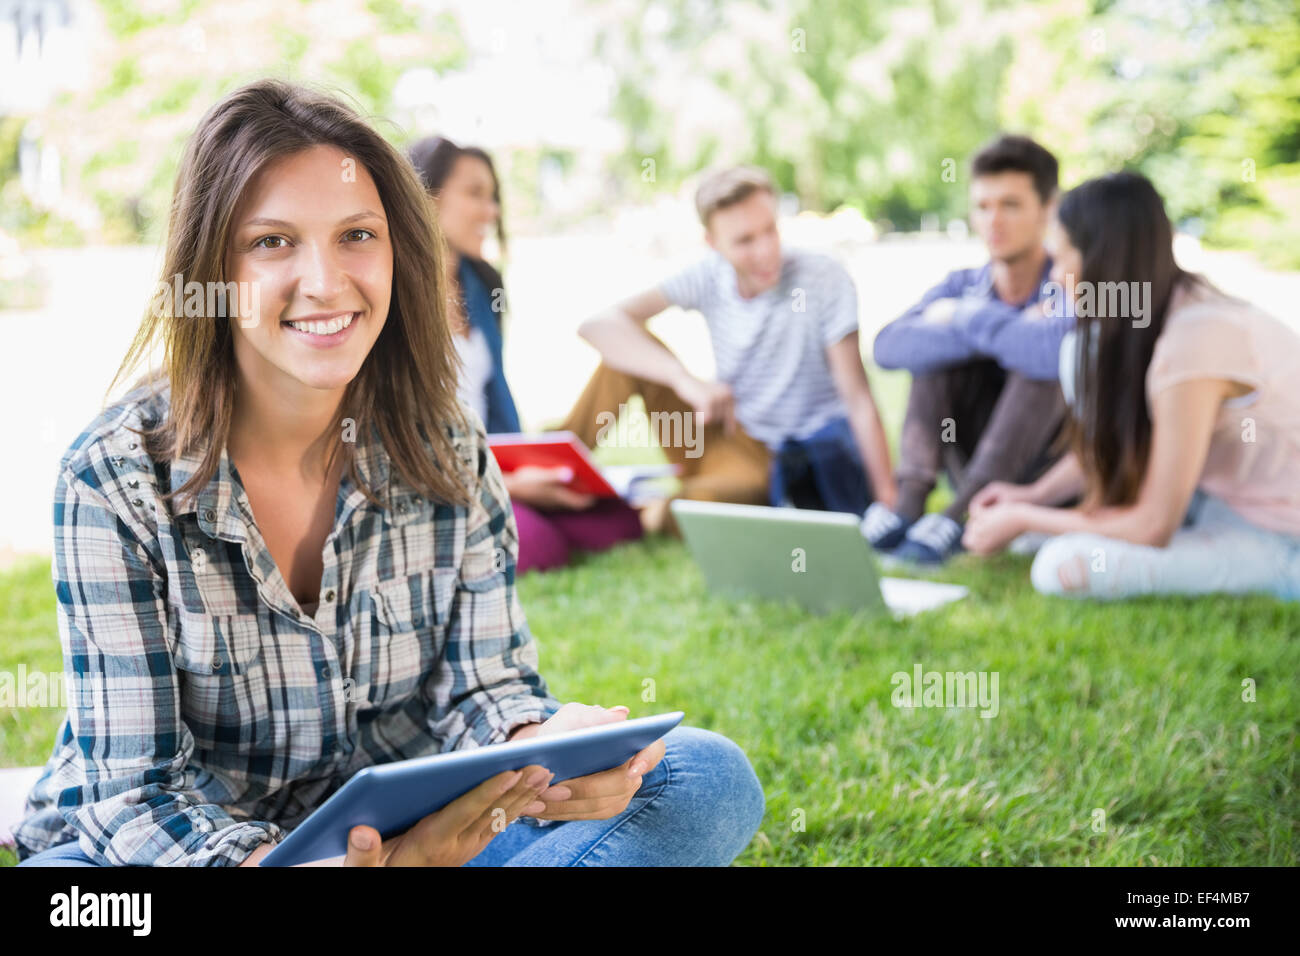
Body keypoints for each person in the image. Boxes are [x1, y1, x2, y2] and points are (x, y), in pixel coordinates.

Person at [13, 79, 765, 867]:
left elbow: (486, 688)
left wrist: (539, 743)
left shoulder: (443, 443)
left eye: (357, 236)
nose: (328, 281)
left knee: (699, 776)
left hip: (424, 835)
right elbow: (135, 797)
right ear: (212, 269)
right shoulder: (113, 480)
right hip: (202, 856)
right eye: (272, 242)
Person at [962, 170, 1300, 601]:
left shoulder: (1195, 340)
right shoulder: (1164, 309)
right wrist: (1034, 496)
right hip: (1221, 506)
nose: (1056, 277)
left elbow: (1154, 525)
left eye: (1064, 259)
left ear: (1106, 258)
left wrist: (1026, 517)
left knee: (1061, 568)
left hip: (1282, 538)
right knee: (1059, 539)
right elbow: (1140, 439)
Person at [570, 165, 896, 529]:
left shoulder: (822, 279)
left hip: (772, 455)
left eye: (770, 230)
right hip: (715, 425)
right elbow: (597, 325)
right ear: (713, 242)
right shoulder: (709, 274)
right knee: (625, 357)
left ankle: (643, 510)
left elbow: (858, 398)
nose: (766, 251)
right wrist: (684, 380)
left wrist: (888, 499)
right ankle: (547, 470)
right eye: (744, 241)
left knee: (707, 507)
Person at [407, 135, 643, 574]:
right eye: (476, 194)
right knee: (537, 548)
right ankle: (510, 511)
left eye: (493, 196)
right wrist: (510, 486)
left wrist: (524, 467)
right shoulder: (393, 296)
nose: (492, 211)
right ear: (426, 195)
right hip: (430, 476)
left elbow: (495, 401)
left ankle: (520, 506)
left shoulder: (481, 287)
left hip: (491, 457)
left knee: (619, 522)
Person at [868, 135, 1070, 564]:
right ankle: (909, 505)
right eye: (982, 206)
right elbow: (888, 347)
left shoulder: (1071, 279)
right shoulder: (962, 286)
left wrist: (963, 318)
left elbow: (1048, 355)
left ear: (1048, 209)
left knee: (1037, 365)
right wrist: (1007, 328)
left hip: (1050, 472)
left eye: (1011, 205)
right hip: (970, 451)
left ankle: (960, 518)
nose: (994, 220)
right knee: (932, 358)